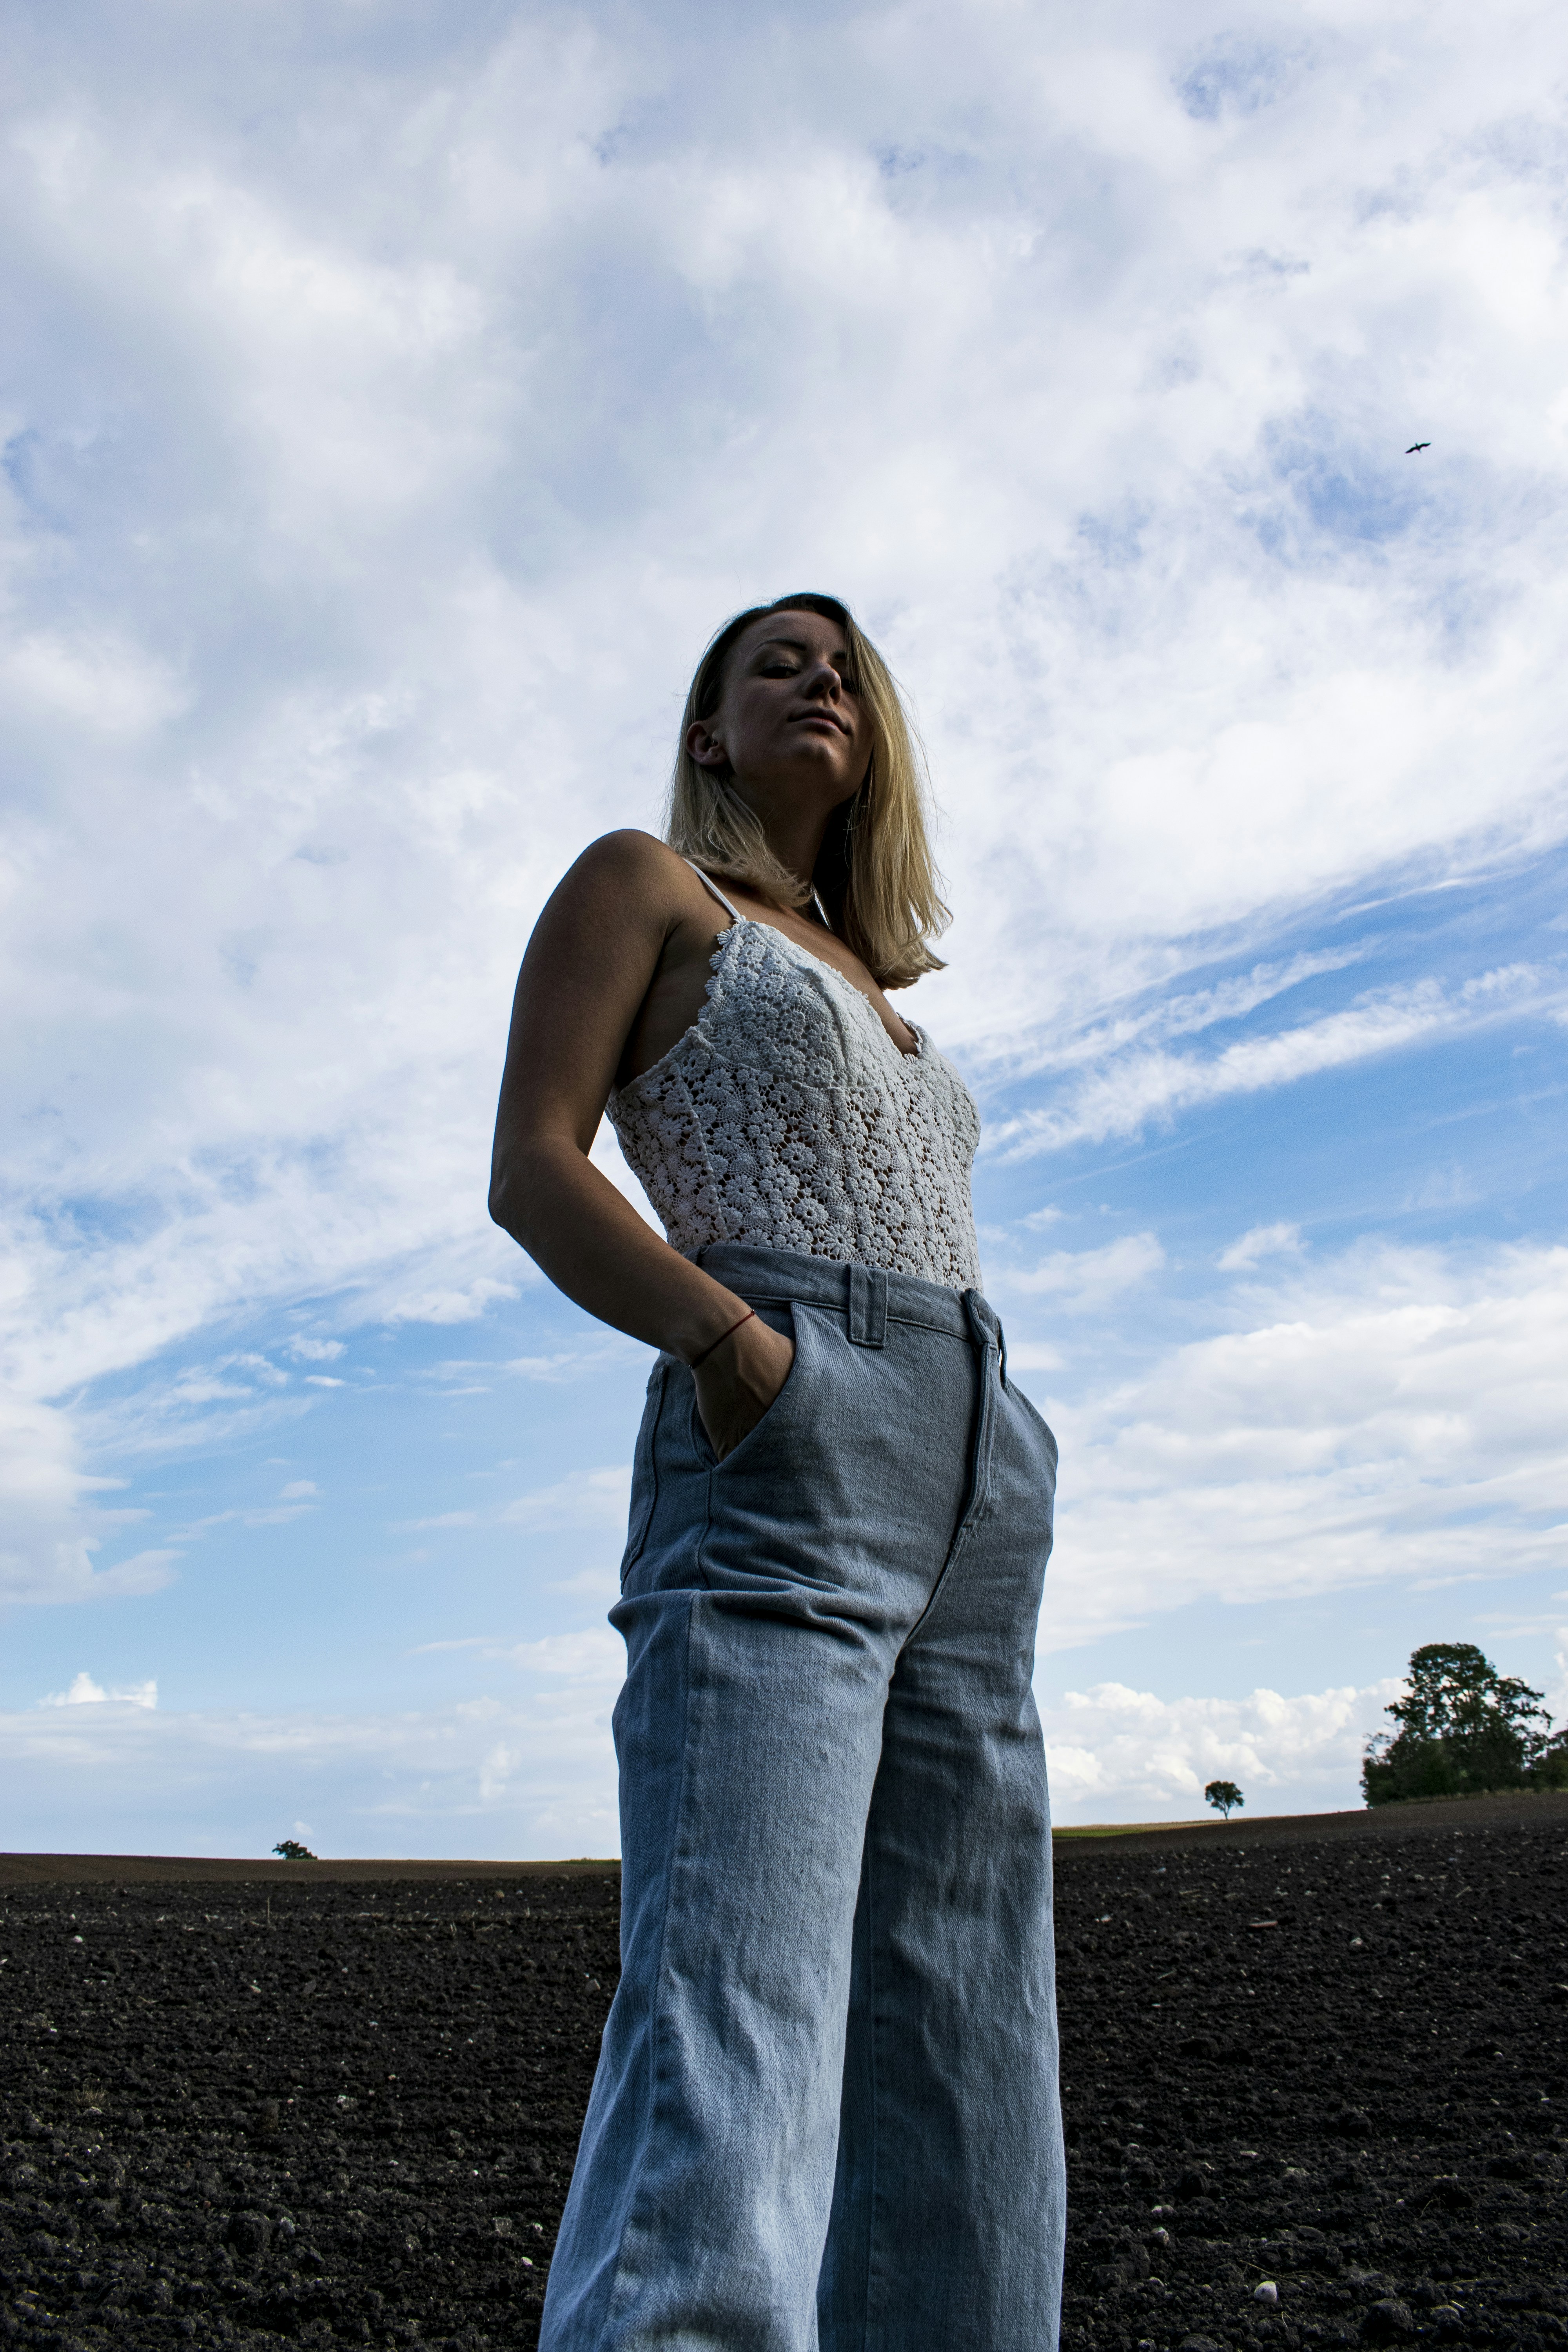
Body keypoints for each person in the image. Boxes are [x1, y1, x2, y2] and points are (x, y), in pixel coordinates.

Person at [488, 593, 1063, 2351]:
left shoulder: (881, 984)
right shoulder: (646, 888)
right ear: (707, 732)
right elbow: (534, 1168)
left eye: (846, 674)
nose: (819, 684)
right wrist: (740, 1352)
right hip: (791, 1425)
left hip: (977, 1459)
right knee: (734, 1996)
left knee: (961, 2018)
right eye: (776, 666)